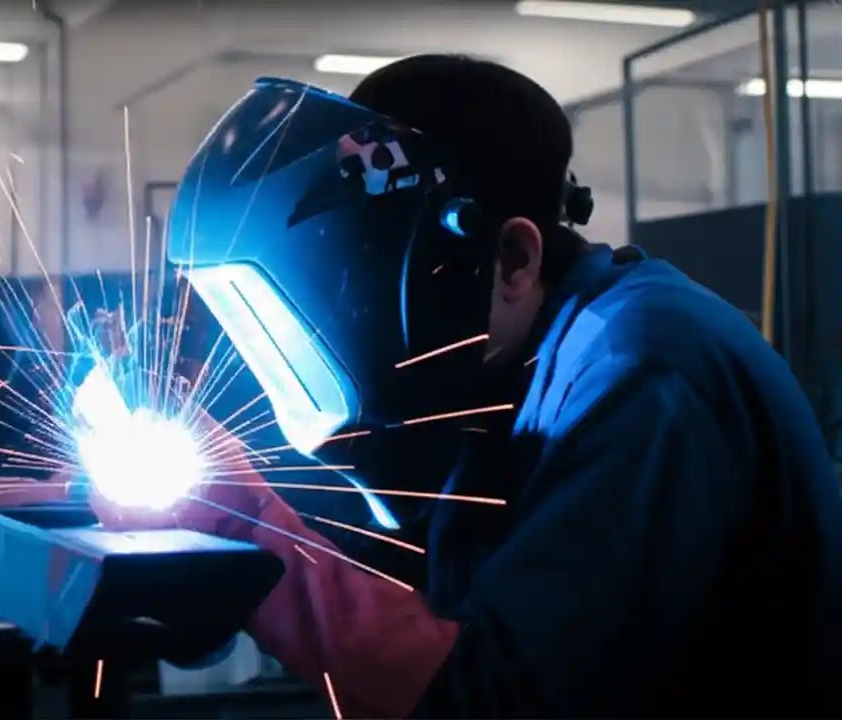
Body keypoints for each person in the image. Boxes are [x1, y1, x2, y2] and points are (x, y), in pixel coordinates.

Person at [90, 56, 842, 717]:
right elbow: (398, 580)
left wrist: (240, 519)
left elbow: (498, 701)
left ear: (512, 257)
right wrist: (205, 560)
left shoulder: (643, 369)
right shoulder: (499, 369)